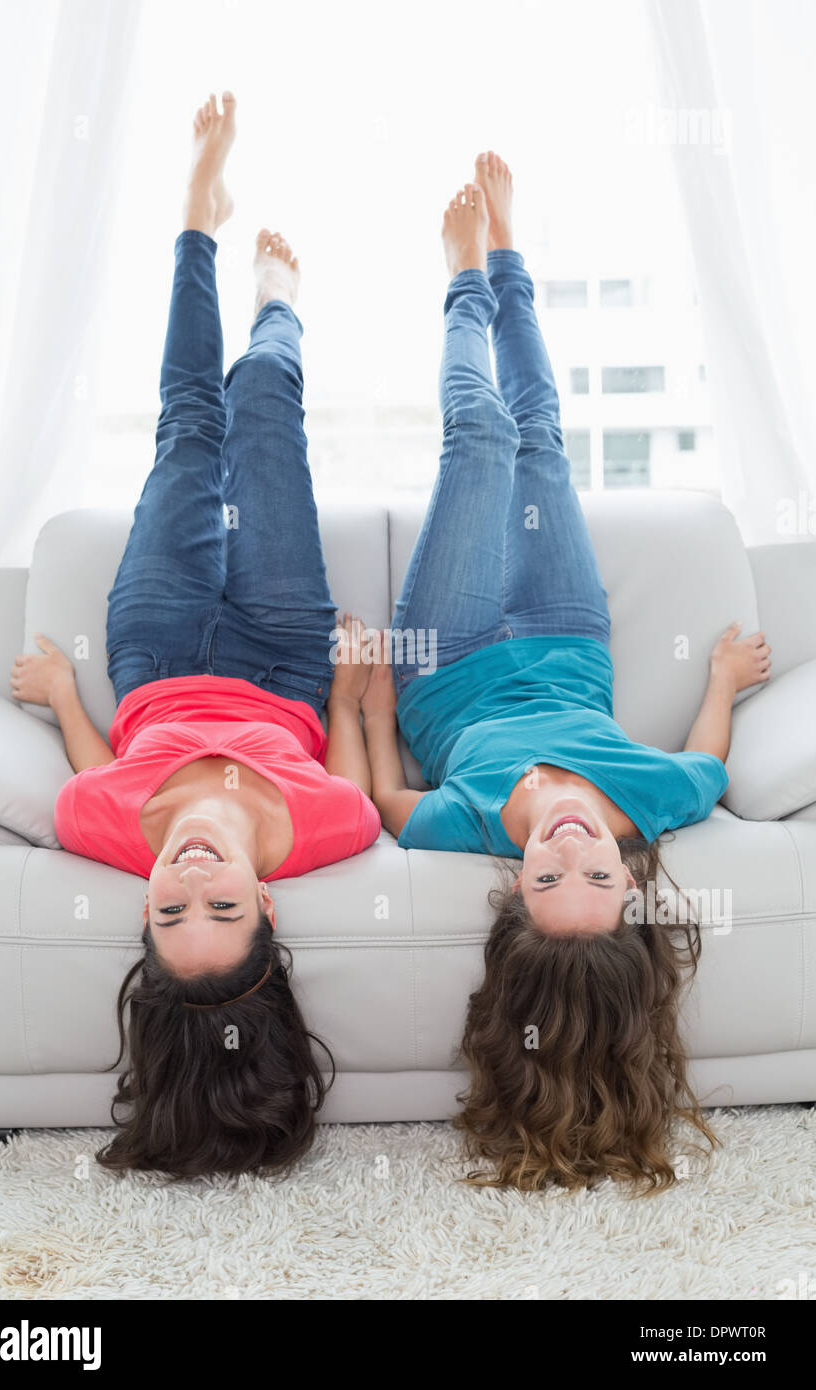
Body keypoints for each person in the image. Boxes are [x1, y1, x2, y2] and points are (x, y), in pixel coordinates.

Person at [359, 150, 772, 1191]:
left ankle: (459, 273)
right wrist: (719, 678)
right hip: (564, 629)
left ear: (514, 891)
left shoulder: (463, 826)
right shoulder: (652, 801)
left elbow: (381, 797)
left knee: (483, 437)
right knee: (541, 435)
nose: (571, 848)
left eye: (549, 878)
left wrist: (365, 698)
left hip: (443, 660)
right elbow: (709, 766)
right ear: (629, 886)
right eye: (595, 876)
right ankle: (507, 255)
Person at [10, 93, 379, 1178]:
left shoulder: (98, 824)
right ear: (265, 903)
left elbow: (101, 769)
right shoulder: (329, 831)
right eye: (221, 904)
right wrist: (356, 697)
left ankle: (194, 218)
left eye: (173, 906)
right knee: (262, 399)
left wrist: (68, 697)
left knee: (189, 417)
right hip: (280, 656)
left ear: (146, 900)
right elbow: (356, 778)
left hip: (161, 650)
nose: (195, 873)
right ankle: (277, 303)